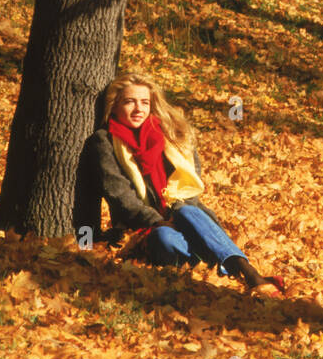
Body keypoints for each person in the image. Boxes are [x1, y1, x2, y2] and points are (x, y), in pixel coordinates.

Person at [76, 73, 284, 298]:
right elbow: (120, 195)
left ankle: (248, 272)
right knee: (163, 238)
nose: (138, 109)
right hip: (144, 228)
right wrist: (159, 221)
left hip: (188, 217)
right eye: (129, 102)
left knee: (187, 210)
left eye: (144, 102)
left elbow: (190, 180)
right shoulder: (104, 141)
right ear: (114, 105)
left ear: (152, 105)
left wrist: (176, 214)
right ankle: (216, 261)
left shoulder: (172, 132)